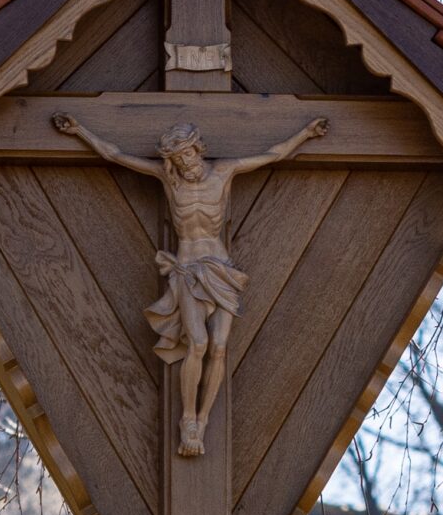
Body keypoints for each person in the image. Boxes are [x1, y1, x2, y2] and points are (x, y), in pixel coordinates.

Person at [51, 110, 330, 455]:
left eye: (189, 154)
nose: (186, 163)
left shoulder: (224, 172)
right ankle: (188, 420)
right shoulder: (170, 181)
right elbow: (115, 155)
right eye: (179, 158)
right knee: (197, 342)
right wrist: (81, 130)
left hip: (220, 268)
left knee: (219, 346)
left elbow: (273, 154)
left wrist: (306, 134)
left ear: (199, 149)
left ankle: (204, 418)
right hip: (185, 268)